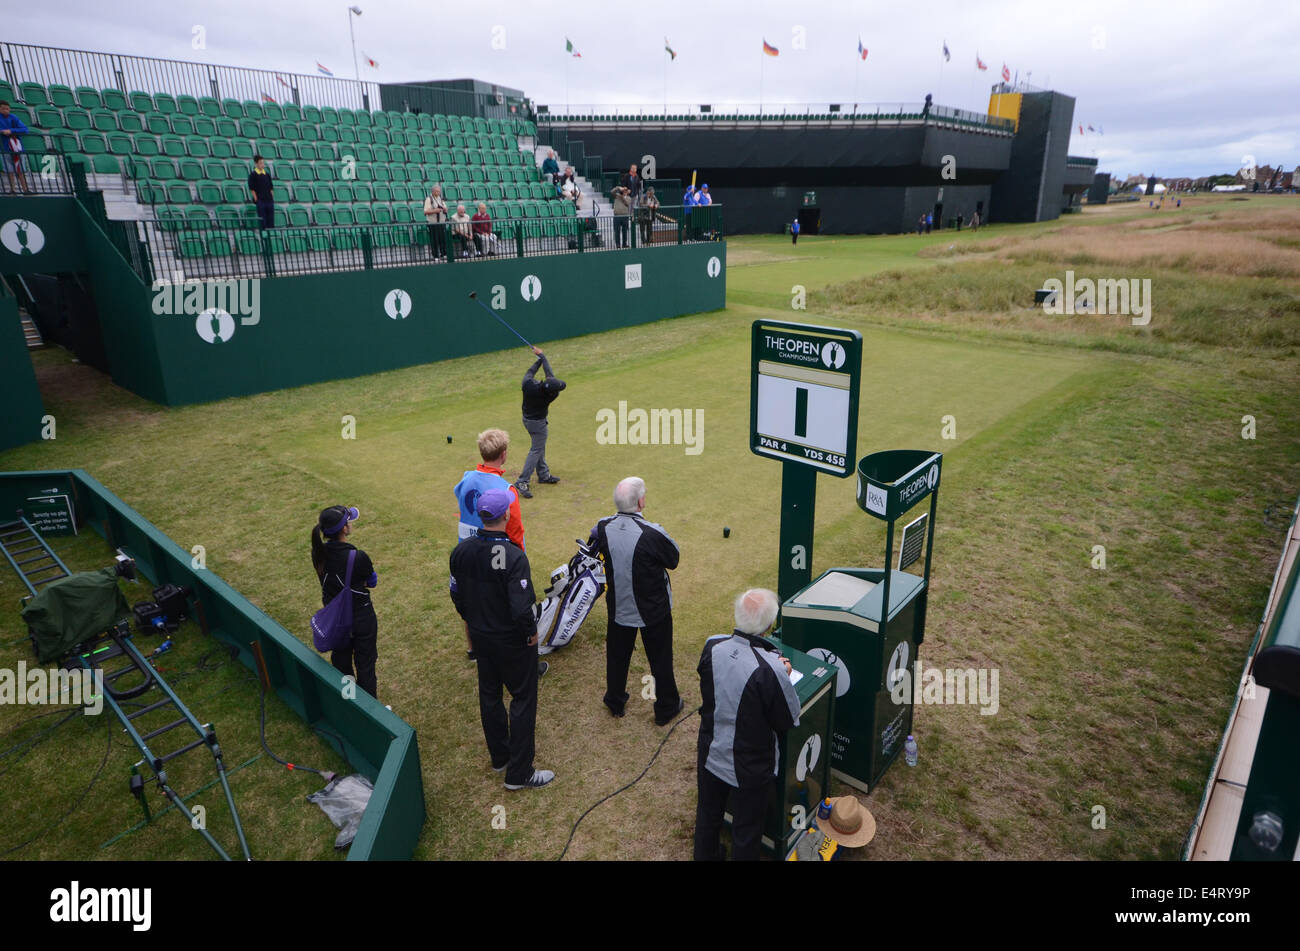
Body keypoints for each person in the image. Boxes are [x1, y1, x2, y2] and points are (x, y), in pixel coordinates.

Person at [449, 489, 555, 790]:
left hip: (481, 636)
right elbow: (522, 608)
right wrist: (531, 633)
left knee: (490, 693)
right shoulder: (514, 555)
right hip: (510, 640)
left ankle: (500, 756)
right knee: (522, 697)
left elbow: (456, 593)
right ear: (506, 516)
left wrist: (472, 618)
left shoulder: (461, 550)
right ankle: (519, 773)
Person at [693, 589, 799, 861]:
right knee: (747, 829)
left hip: (710, 749)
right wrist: (782, 674)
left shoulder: (712, 645)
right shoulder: (772, 670)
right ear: (769, 626)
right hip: (751, 763)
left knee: (708, 813)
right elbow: (787, 719)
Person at [591, 477, 682, 725]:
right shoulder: (652, 533)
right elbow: (673, 559)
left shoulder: (602, 526)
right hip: (653, 609)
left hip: (619, 604)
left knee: (617, 656)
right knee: (660, 658)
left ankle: (615, 700)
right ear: (641, 502)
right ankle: (666, 707)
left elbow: (594, 540)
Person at [311, 505, 380, 699]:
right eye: (348, 521)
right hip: (361, 618)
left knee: (342, 664)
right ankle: (370, 713)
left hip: (336, 619)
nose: (350, 524)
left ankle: (349, 703)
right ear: (343, 529)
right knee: (365, 664)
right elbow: (372, 581)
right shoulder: (357, 556)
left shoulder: (318, 553)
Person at [515, 347, 565, 498]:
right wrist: (542, 356)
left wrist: (539, 359)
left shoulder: (528, 385)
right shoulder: (552, 395)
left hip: (527, 420)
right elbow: (550, 373)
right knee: (536, 449)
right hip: (538, 424)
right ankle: (522, 481)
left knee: (539, 446)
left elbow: (530, 373)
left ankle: (543, 474)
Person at [0, 101, 30, 194]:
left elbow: (25, 130)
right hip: (4, 149)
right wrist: (2, 131)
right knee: (9, 171)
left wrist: (11, 130)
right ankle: (12, 190)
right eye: (4, 108)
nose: (6, 110)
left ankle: (25, 190)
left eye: (8, 108)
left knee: (20, 170)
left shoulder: (14, 117)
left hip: (17, 148)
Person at [248, 154, 275, 229]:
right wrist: (256, 199)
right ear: (256, 164)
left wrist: (272, 198)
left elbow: (271, 187)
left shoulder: (267, 174)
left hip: (269, 200)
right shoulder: (253, 175)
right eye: (260, 163)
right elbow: (252, 188)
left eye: (263, 163)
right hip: (261, 201)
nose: (262, 164)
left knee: (271, 221)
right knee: (263, 221)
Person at [423, 184, 449, 260]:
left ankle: (443, 253)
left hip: (441, 222)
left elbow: (445, 208)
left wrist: (445, 209)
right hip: (433, 223)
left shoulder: (440, 199)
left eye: (439, 191)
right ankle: (435, 255)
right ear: (433, 191)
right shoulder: (429, 199)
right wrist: (435, 211)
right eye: (437, 191)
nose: (439, 193)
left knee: (442, 239)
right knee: (434, 239)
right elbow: (425, 212)